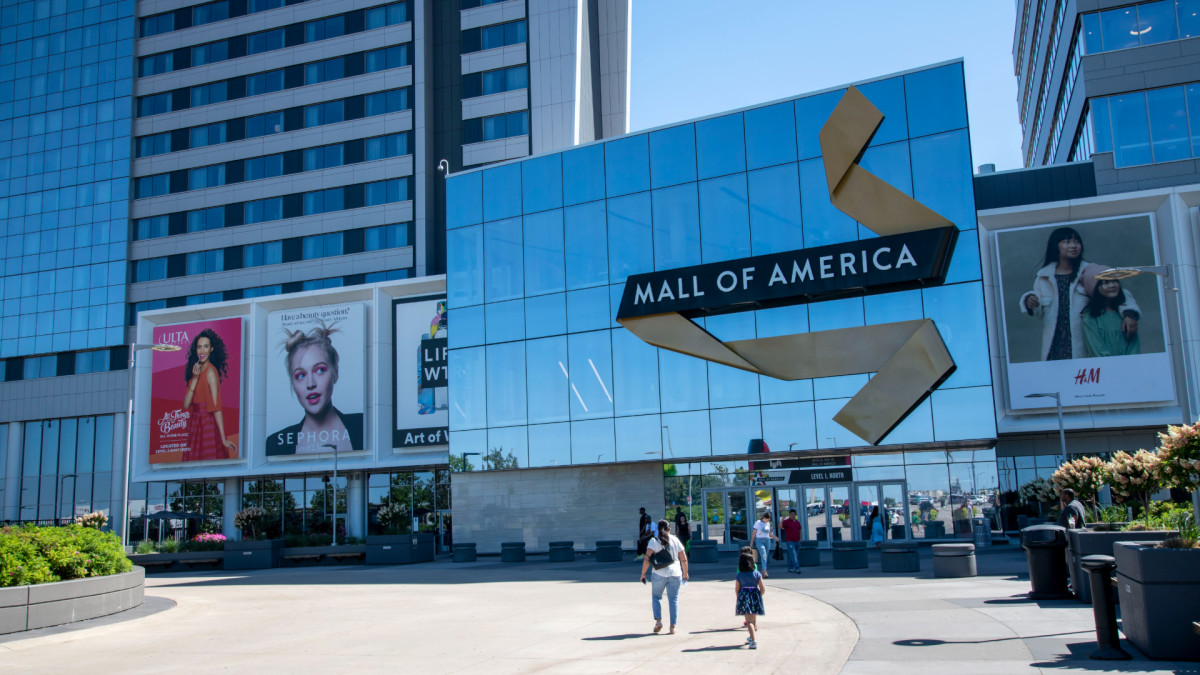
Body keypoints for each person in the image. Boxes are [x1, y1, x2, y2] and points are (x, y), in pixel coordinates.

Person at [1020, 227, 1139, 361]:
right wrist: (1030, 302)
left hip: (1085, 344)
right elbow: (1039, 313)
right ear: (1055, 246)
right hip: (1053, 347)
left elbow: (1118, 291)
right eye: (1067, 241)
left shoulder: (1089, 271)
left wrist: (1130, 314)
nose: (1073, 245)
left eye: (1077, 242)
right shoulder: (1043, 277)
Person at [266, 321, 363, 455]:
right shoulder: (276, 444)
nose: (310, 384)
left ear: (335, 372)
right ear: (292, 383)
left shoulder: (363, 427)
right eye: (300, 375)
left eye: (319, 370)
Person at [181, 328, 238, 461]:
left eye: (206, 347)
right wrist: (194, 379)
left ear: (211, 349)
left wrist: (223, 438)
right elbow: (186, 404)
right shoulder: (195, 371)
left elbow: (216, 407)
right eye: (199, 347)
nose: (202, 351)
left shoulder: (211, 372)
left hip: (208, 423)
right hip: (195, 424)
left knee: (208, 457)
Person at [639, 519, 689, 635]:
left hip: (659, 573)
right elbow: (683, 558)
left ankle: (658, 622)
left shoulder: (653, 541)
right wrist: (685, 573)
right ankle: (673, 627)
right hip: (675, 573)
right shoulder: (675, 540)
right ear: (669, 529)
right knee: (673, 600)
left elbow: (647, 558)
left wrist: (643, 574)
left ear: (657, 529)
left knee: (656, 597)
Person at [1080, 268, 1142, 358]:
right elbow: (1096, 350)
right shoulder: (1090, 318)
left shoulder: (1126, 315)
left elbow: (1134, 346)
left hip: (1128, 369)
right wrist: (1112, 367)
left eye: (1114, 281)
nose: (1112, 285)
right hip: (1104, 368)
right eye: (1106, 282)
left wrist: (1129, 364)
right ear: (1095, 288)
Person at [735, 551, 766, 650]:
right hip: (755, 597)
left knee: (749, 622)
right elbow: (762, 588)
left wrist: (739, 597)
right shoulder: (757, 574)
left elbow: (737, 589)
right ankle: (751, 636)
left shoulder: (739, 575)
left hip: (744, 598)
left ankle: (753, 641)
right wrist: (757, 596)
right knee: (753, 618)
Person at [752, 512, 779, 578]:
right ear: (764, 518)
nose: (768, 520)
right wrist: (751, 541)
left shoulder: (768, 524)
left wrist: (775, 537)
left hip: (767, 540)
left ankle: (764, 569)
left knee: (765, 556)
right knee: (763, 555)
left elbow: (769, 533)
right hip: (759, 540)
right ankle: (764, 571)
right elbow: (754, 533)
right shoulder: (758, 523)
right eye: (767, 519)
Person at [780, 509, 802, 574]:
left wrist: (800, 538)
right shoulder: (786, 522)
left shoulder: (797, 522)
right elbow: (780, 527)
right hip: (790, 541)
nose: (792, 516)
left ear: (795, 515)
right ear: (789, 515)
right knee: (793, 555)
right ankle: (797, 568)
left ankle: (790, 567)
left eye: (794, 514)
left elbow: (799, 530)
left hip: (797, 541)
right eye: (791, 514)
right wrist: (782, 519)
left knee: (794, 555)